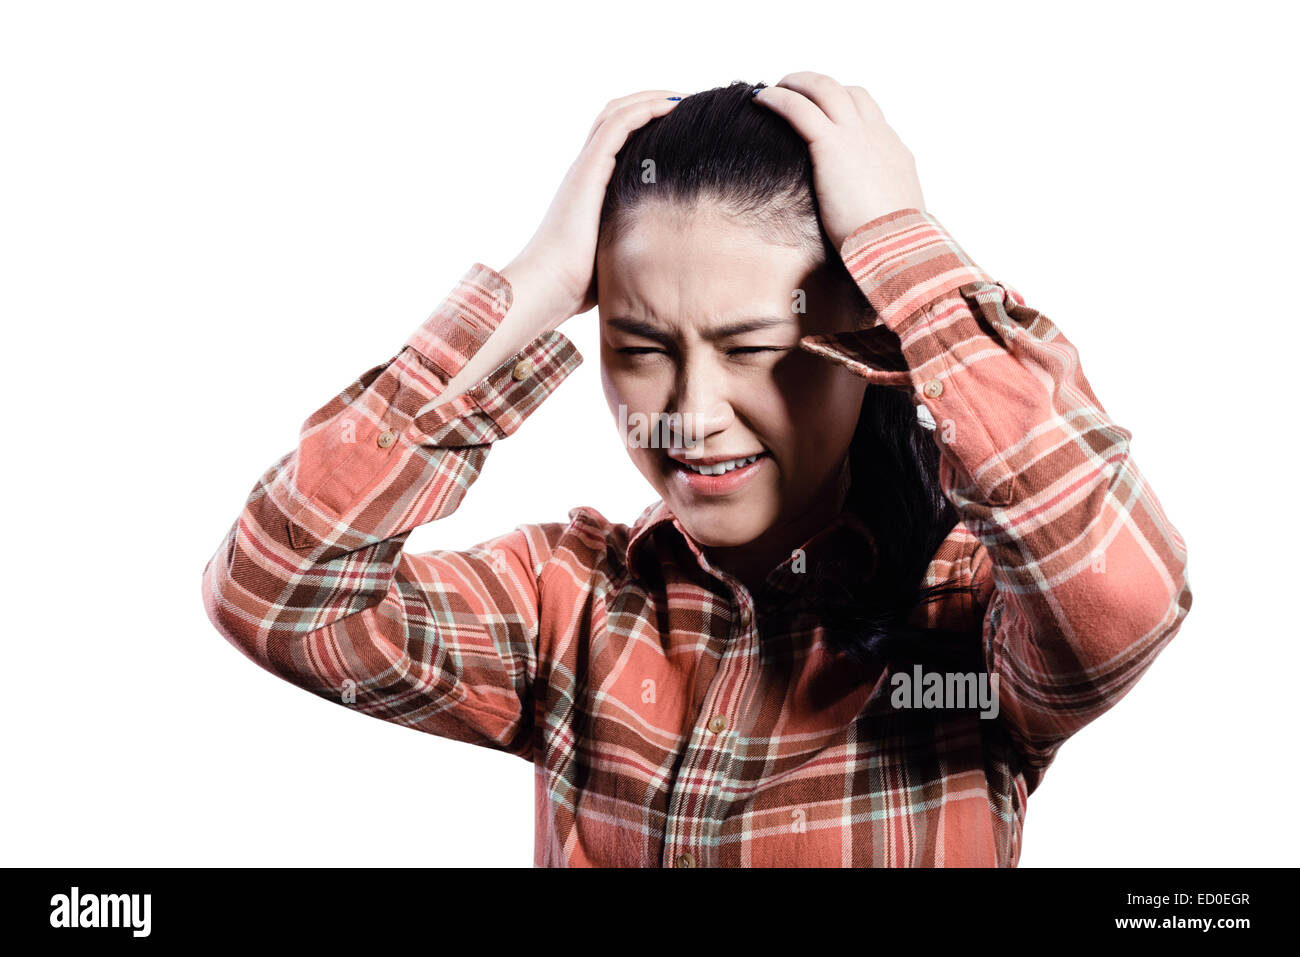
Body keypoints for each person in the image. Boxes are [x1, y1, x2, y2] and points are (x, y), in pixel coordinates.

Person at [201, 74, 1192, 867]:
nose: (687, 412)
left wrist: (907, 258)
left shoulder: (972, 615)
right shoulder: (568, 602)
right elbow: (277, 597)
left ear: (867, 344)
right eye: (640, 346)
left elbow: (1119, 595)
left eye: (751, 346)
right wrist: (528, 288)